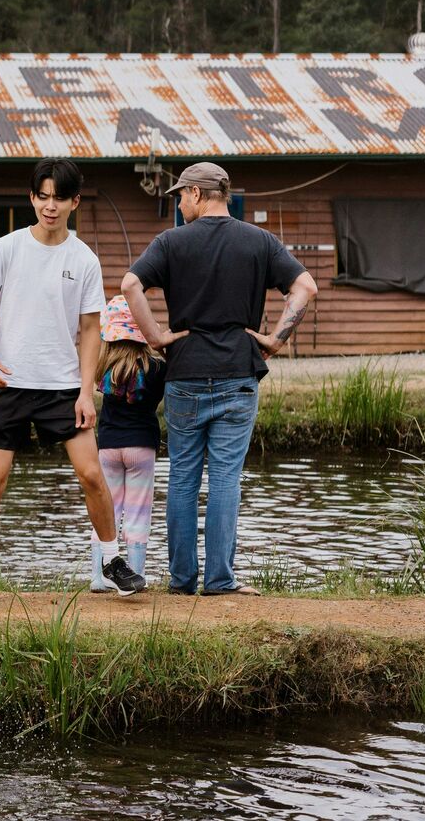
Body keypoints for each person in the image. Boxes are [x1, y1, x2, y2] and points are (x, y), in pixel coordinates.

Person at [0, 158, 148, 606]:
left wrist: (86, 391)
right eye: (42, 196)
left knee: (91, 475)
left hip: (63, 388)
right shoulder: (5, 249)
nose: (50, 205)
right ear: (32, 198)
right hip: (10, 384)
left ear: (74, 202)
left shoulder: (84, 259)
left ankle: (112, 561)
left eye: (59, 197)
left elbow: (89, 331)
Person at [121, 162, 318, 595]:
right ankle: (219, 581)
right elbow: (305, 287)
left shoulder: (171, 242)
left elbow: (130, 283)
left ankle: (181, 580)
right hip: (238, 374)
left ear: (195, 193)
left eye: (179, 196)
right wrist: (276, 339)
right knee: (226, 479)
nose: (178, 204)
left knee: (184, 478)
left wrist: (156, 337)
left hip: (185, 373)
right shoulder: (260, 241)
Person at [90, 295, 168, 592]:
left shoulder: (103, 368)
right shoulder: (156, 368)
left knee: (106, 511)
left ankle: (99, 578)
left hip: (108, 447)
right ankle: (132, 576)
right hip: (141, 448)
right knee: (137, 514)